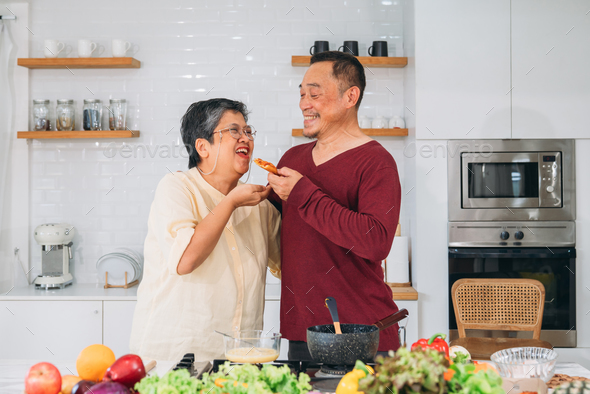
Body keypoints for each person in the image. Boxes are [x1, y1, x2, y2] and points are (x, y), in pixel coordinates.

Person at [267, 51, 402, 360]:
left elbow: (376, 241)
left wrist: (303, 192)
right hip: (302, 333)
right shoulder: (292, 161)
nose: (304, 103)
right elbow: (266, 225)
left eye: (314, 94)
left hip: (363, 334)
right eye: (301, 95)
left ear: (350, 96)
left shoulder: (376, 162)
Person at [130, 98, 281, 362]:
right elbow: (185, 260)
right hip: (175, 358)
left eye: (248, 131)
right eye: (233, 131)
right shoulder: (177, 187)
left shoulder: (259, 205)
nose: (245, 138)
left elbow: (291, 265)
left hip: (239, 360)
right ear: (203, 147)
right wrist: (231, 202)